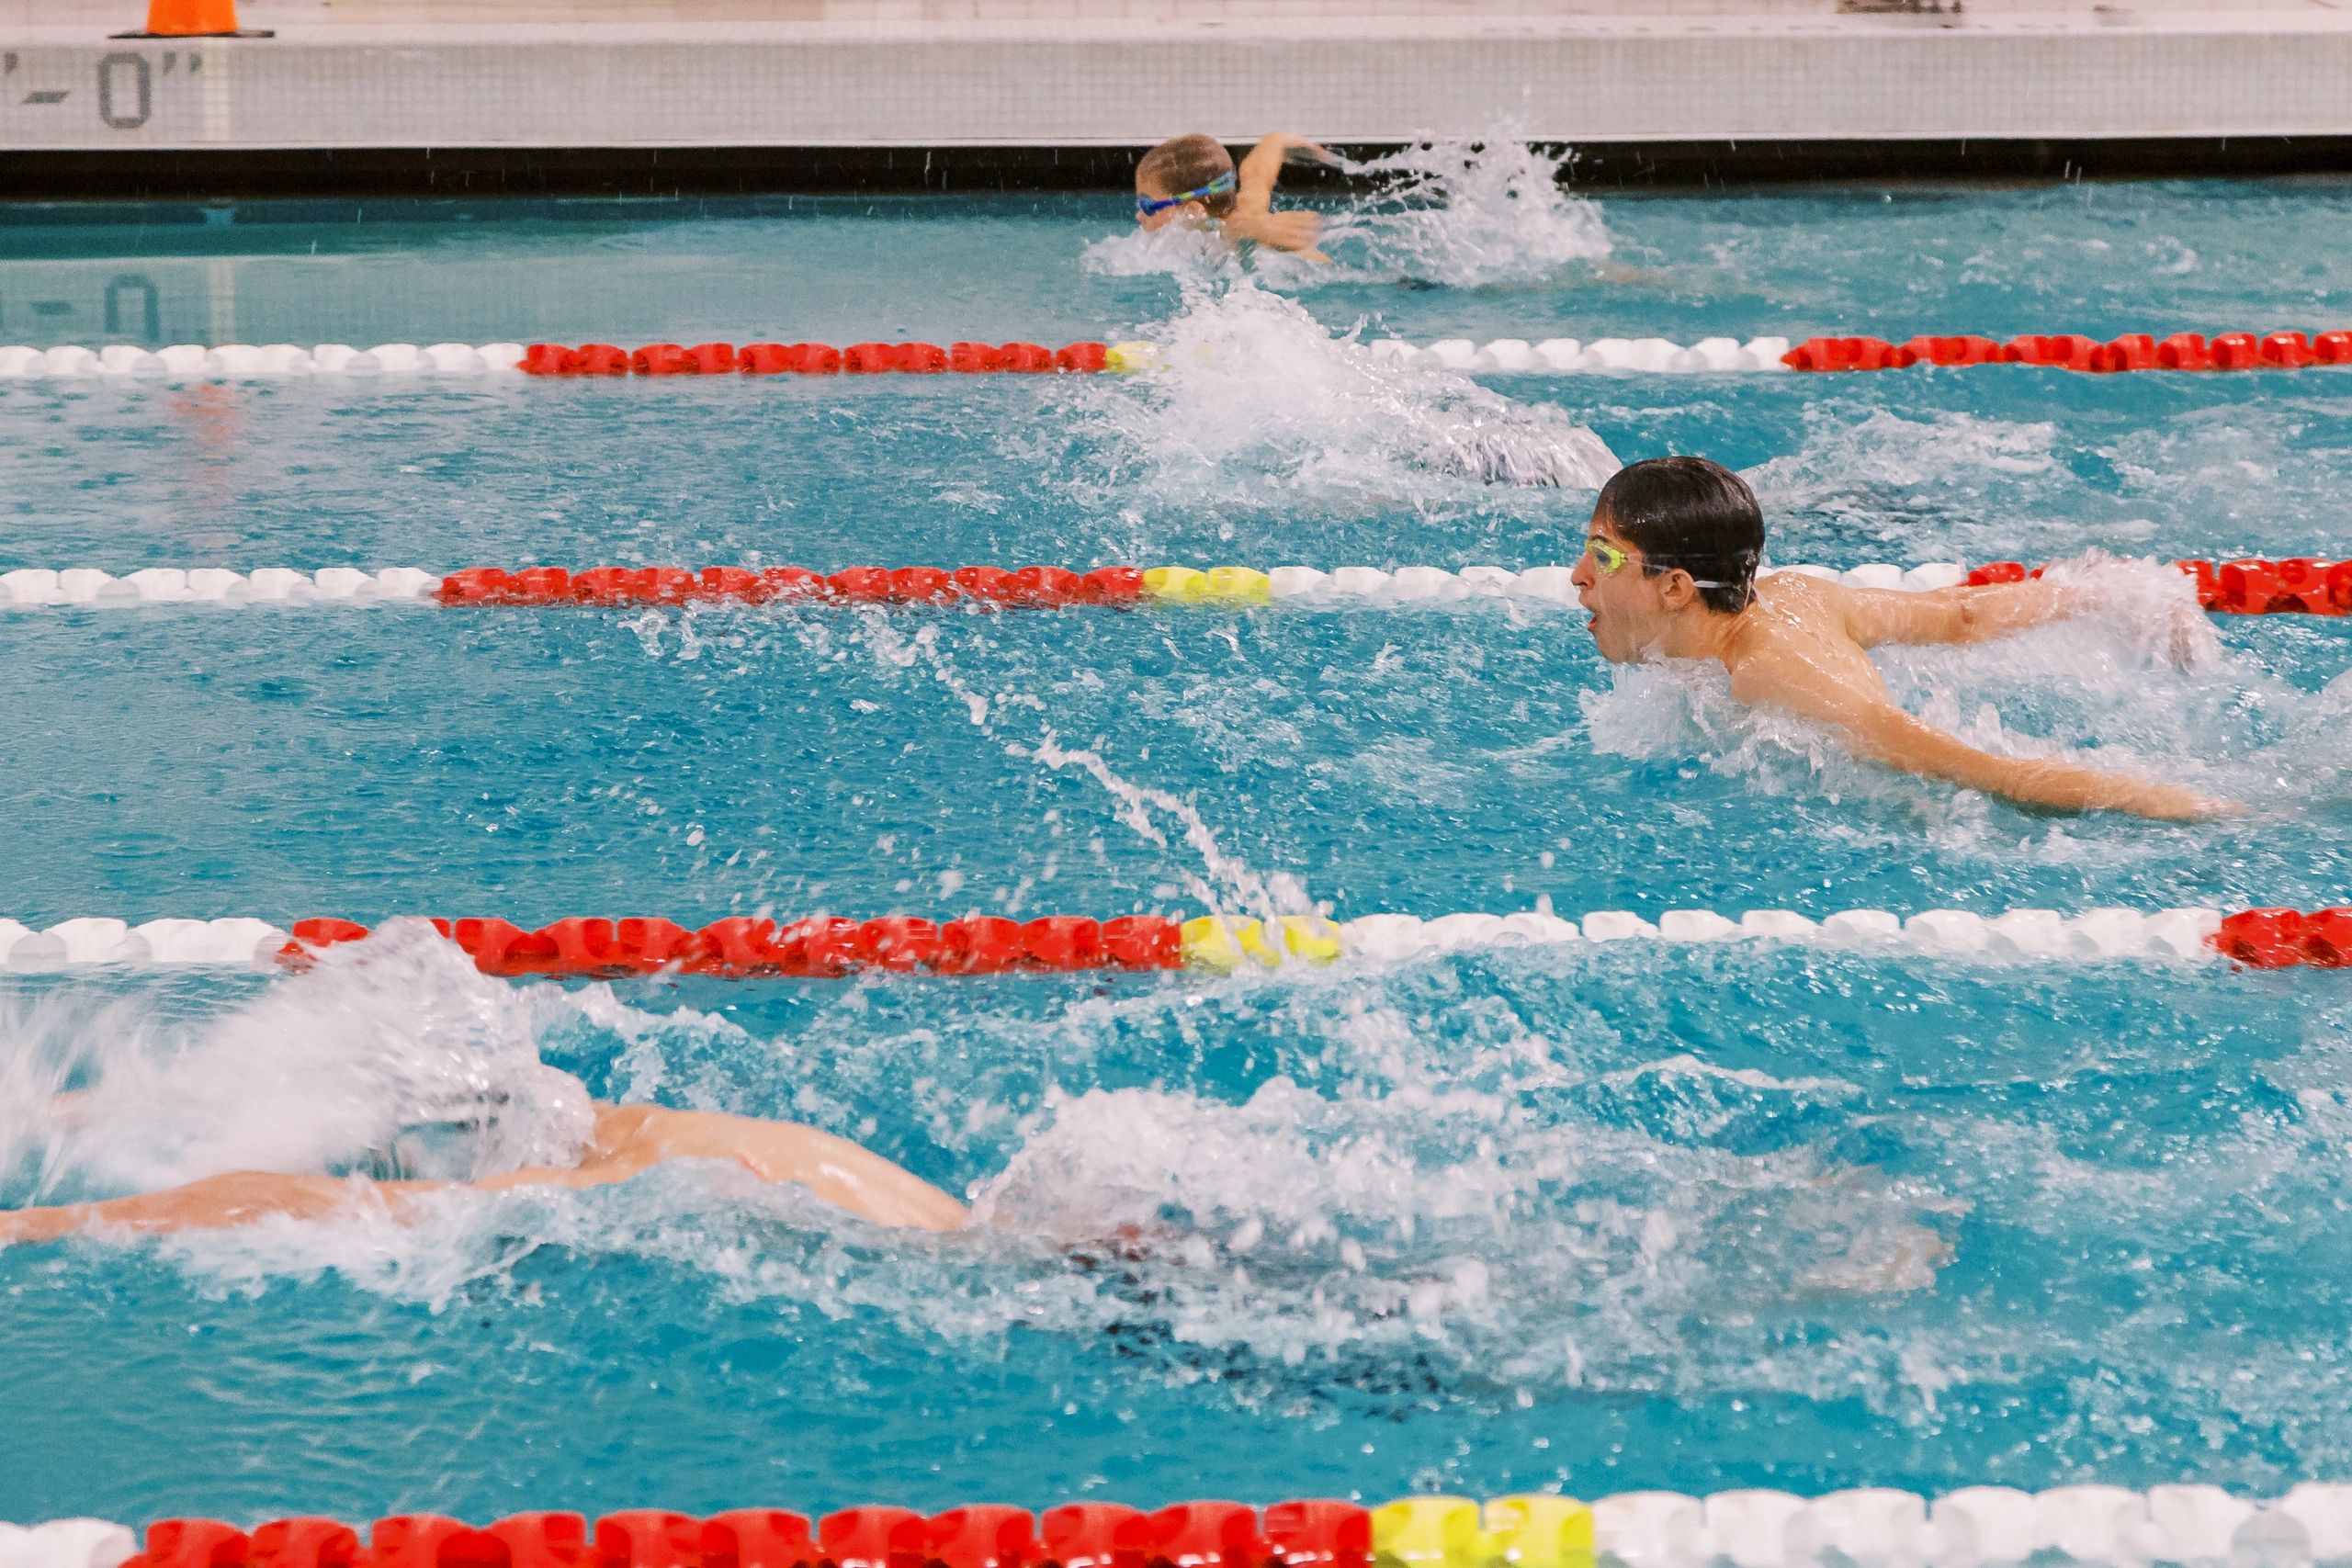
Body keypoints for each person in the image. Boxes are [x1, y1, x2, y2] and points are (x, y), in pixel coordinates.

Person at [1569, 456, 2234, 821]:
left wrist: (2161, 803)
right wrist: (2108, 593)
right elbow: (1957, 618)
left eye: (1603, 556)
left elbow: (1973, 768)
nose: (1577, 577)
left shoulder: (1768, 674)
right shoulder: (1795, 593)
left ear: (1677, 587)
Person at [0, 1100, 969, 1243]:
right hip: (682, 1166)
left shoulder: (955, 1217)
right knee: (320, 1206)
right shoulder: (936, 1245)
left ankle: (58, 1113)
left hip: (673, 1135)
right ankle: (29, 1224)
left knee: (381, 1113)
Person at [1134, 132, 1333, 259]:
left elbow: (1241, 226)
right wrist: (1277, 141)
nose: (1139, 215)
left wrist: (1264, 229)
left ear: (1192, 210)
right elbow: (1256, 172)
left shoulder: (1225, 234)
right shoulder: (1247, 203)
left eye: (1147, 205)